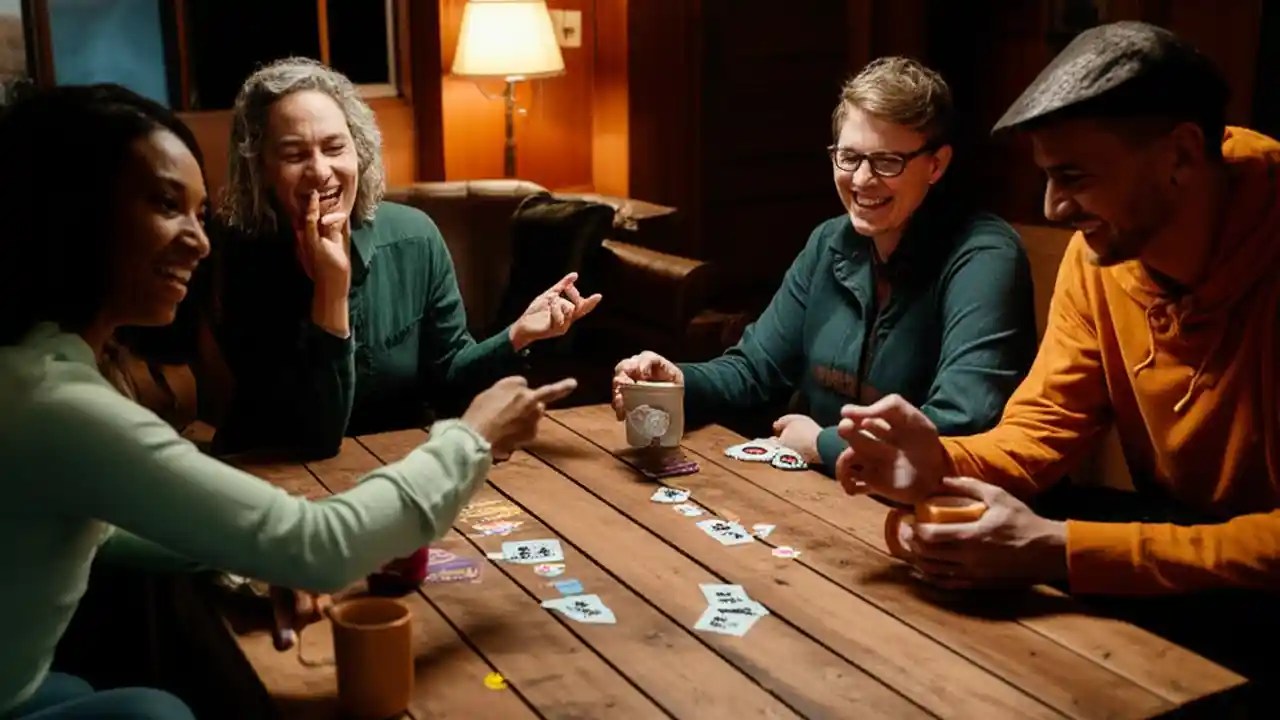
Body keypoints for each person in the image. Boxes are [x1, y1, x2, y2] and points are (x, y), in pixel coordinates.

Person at [0, 84, 575, 718]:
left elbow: (103, 528)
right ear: (72, 213)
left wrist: (239, 560)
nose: (199, 242)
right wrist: (472, 440)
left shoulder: (34, 364)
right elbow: (318, 540)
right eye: (167, 205)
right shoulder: (57, 401)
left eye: (198, 213)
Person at [834, 22, 1278, 680]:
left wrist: (1063, 550)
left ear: (1180, 156)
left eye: (1072, 176)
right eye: (1045, 176)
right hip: (1183, 544)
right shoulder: (1098, 257)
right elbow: (1043, 430)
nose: (1053, 207)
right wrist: (935, 461)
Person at [612, 57, 1036, 475]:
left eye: (888, 161)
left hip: (939, 513)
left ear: (936, 164)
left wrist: (820, 444)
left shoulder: (985, 256)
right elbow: (756, 370)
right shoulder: (829, 241)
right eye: (849, 157)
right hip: (827, 500)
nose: (862, 180)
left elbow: (959, 422)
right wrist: (678, 382)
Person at [207, 57, 601, 458]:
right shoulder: (238, 257)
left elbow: (449, 377)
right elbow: (315, 436)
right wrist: (332, 292)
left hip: (399, 464)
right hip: (277, 477)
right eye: (294, 155)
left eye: (334, 147)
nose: (320, 171)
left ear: (358, 151)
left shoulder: (414, 237)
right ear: (260, 170)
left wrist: (518, 334)